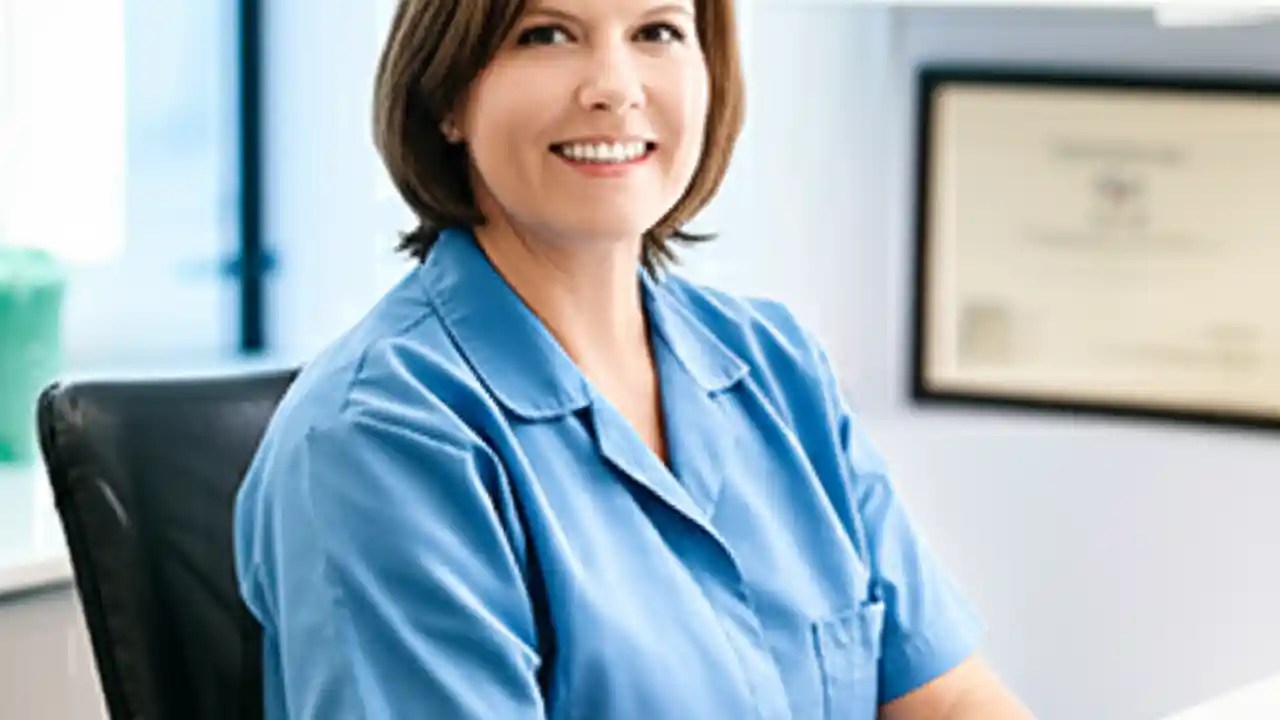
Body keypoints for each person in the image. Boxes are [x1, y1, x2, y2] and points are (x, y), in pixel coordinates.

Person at [233, 0, 1034, 717]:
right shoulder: (377, 440)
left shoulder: (775, 364)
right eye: (546, 34)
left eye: (657, 31)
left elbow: (947, 695)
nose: (614, 87)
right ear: (447, 95)